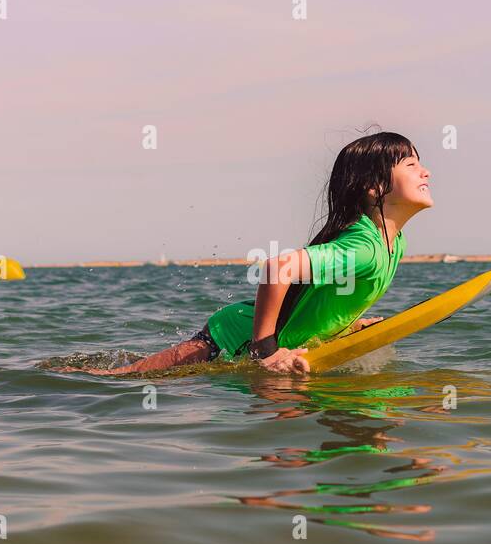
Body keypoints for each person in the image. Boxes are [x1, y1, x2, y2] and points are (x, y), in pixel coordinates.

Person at [69, 130, 432, 375]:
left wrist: (348, 324)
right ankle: (68, 382)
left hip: (251, 335)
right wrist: (266, 350)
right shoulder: (365, 247)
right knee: (119, 379)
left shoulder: (392, 243)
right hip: (231, 338)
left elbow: (326, 296)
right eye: (412, 165)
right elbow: (278, 269)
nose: (425, 172)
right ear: (375, 188)